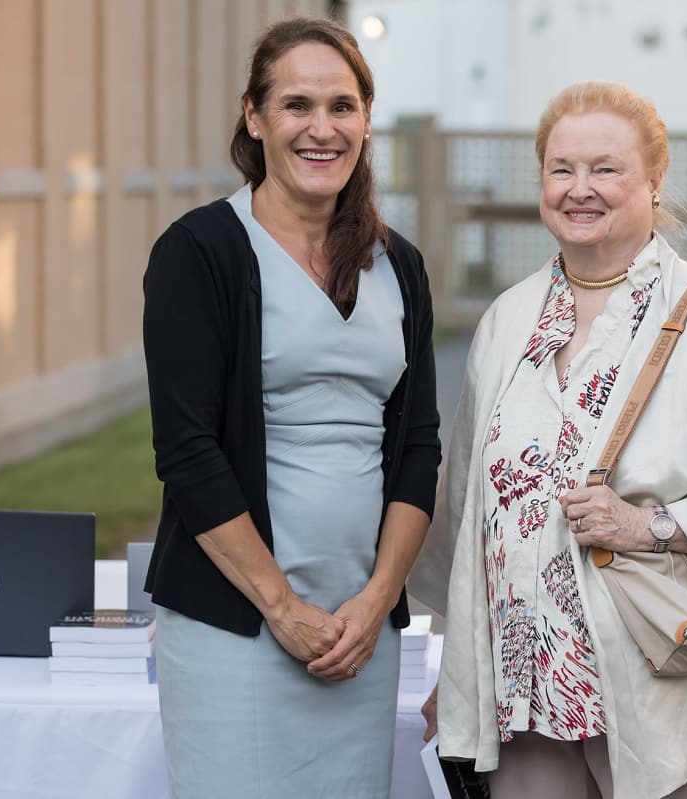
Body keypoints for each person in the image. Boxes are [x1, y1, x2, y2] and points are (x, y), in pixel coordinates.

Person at [415, 81, 687, 799]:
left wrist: (650, 525)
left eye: (606, 169)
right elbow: (468, 520)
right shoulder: (505, 324)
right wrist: (464, 677)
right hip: (527, 702)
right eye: (561, 168)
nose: (580, 189)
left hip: (662, 687)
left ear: (654, 181)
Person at [142, 17, 440, 799]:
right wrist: (280, 605)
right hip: (236, 624)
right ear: (255, 116)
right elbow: (187, 450)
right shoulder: (200, 252)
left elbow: (419, 446)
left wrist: (376, 601)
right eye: (297, 104)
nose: (322, 128)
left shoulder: (399, 265)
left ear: (367, 120)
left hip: (358, 632)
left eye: (342, 106)